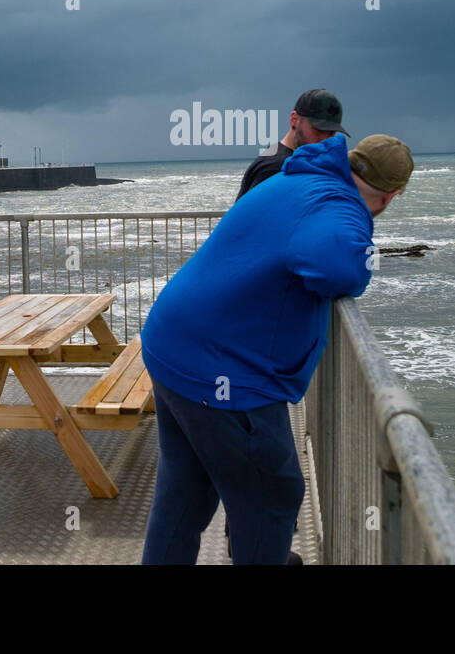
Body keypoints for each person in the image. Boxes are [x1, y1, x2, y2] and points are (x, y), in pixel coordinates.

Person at [141, 132, 414, 564]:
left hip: (172, 346)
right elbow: (340, 267)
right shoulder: (337, 204)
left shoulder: (296, 177)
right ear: (390, 195)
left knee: (184, 491)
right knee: (273, 495)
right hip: (223, 373)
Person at [235, 88, 347, 200]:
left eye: (331, 132)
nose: (324, 139)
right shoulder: (277, 167)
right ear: (294, 119)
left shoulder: (285, 157)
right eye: (318, 129)